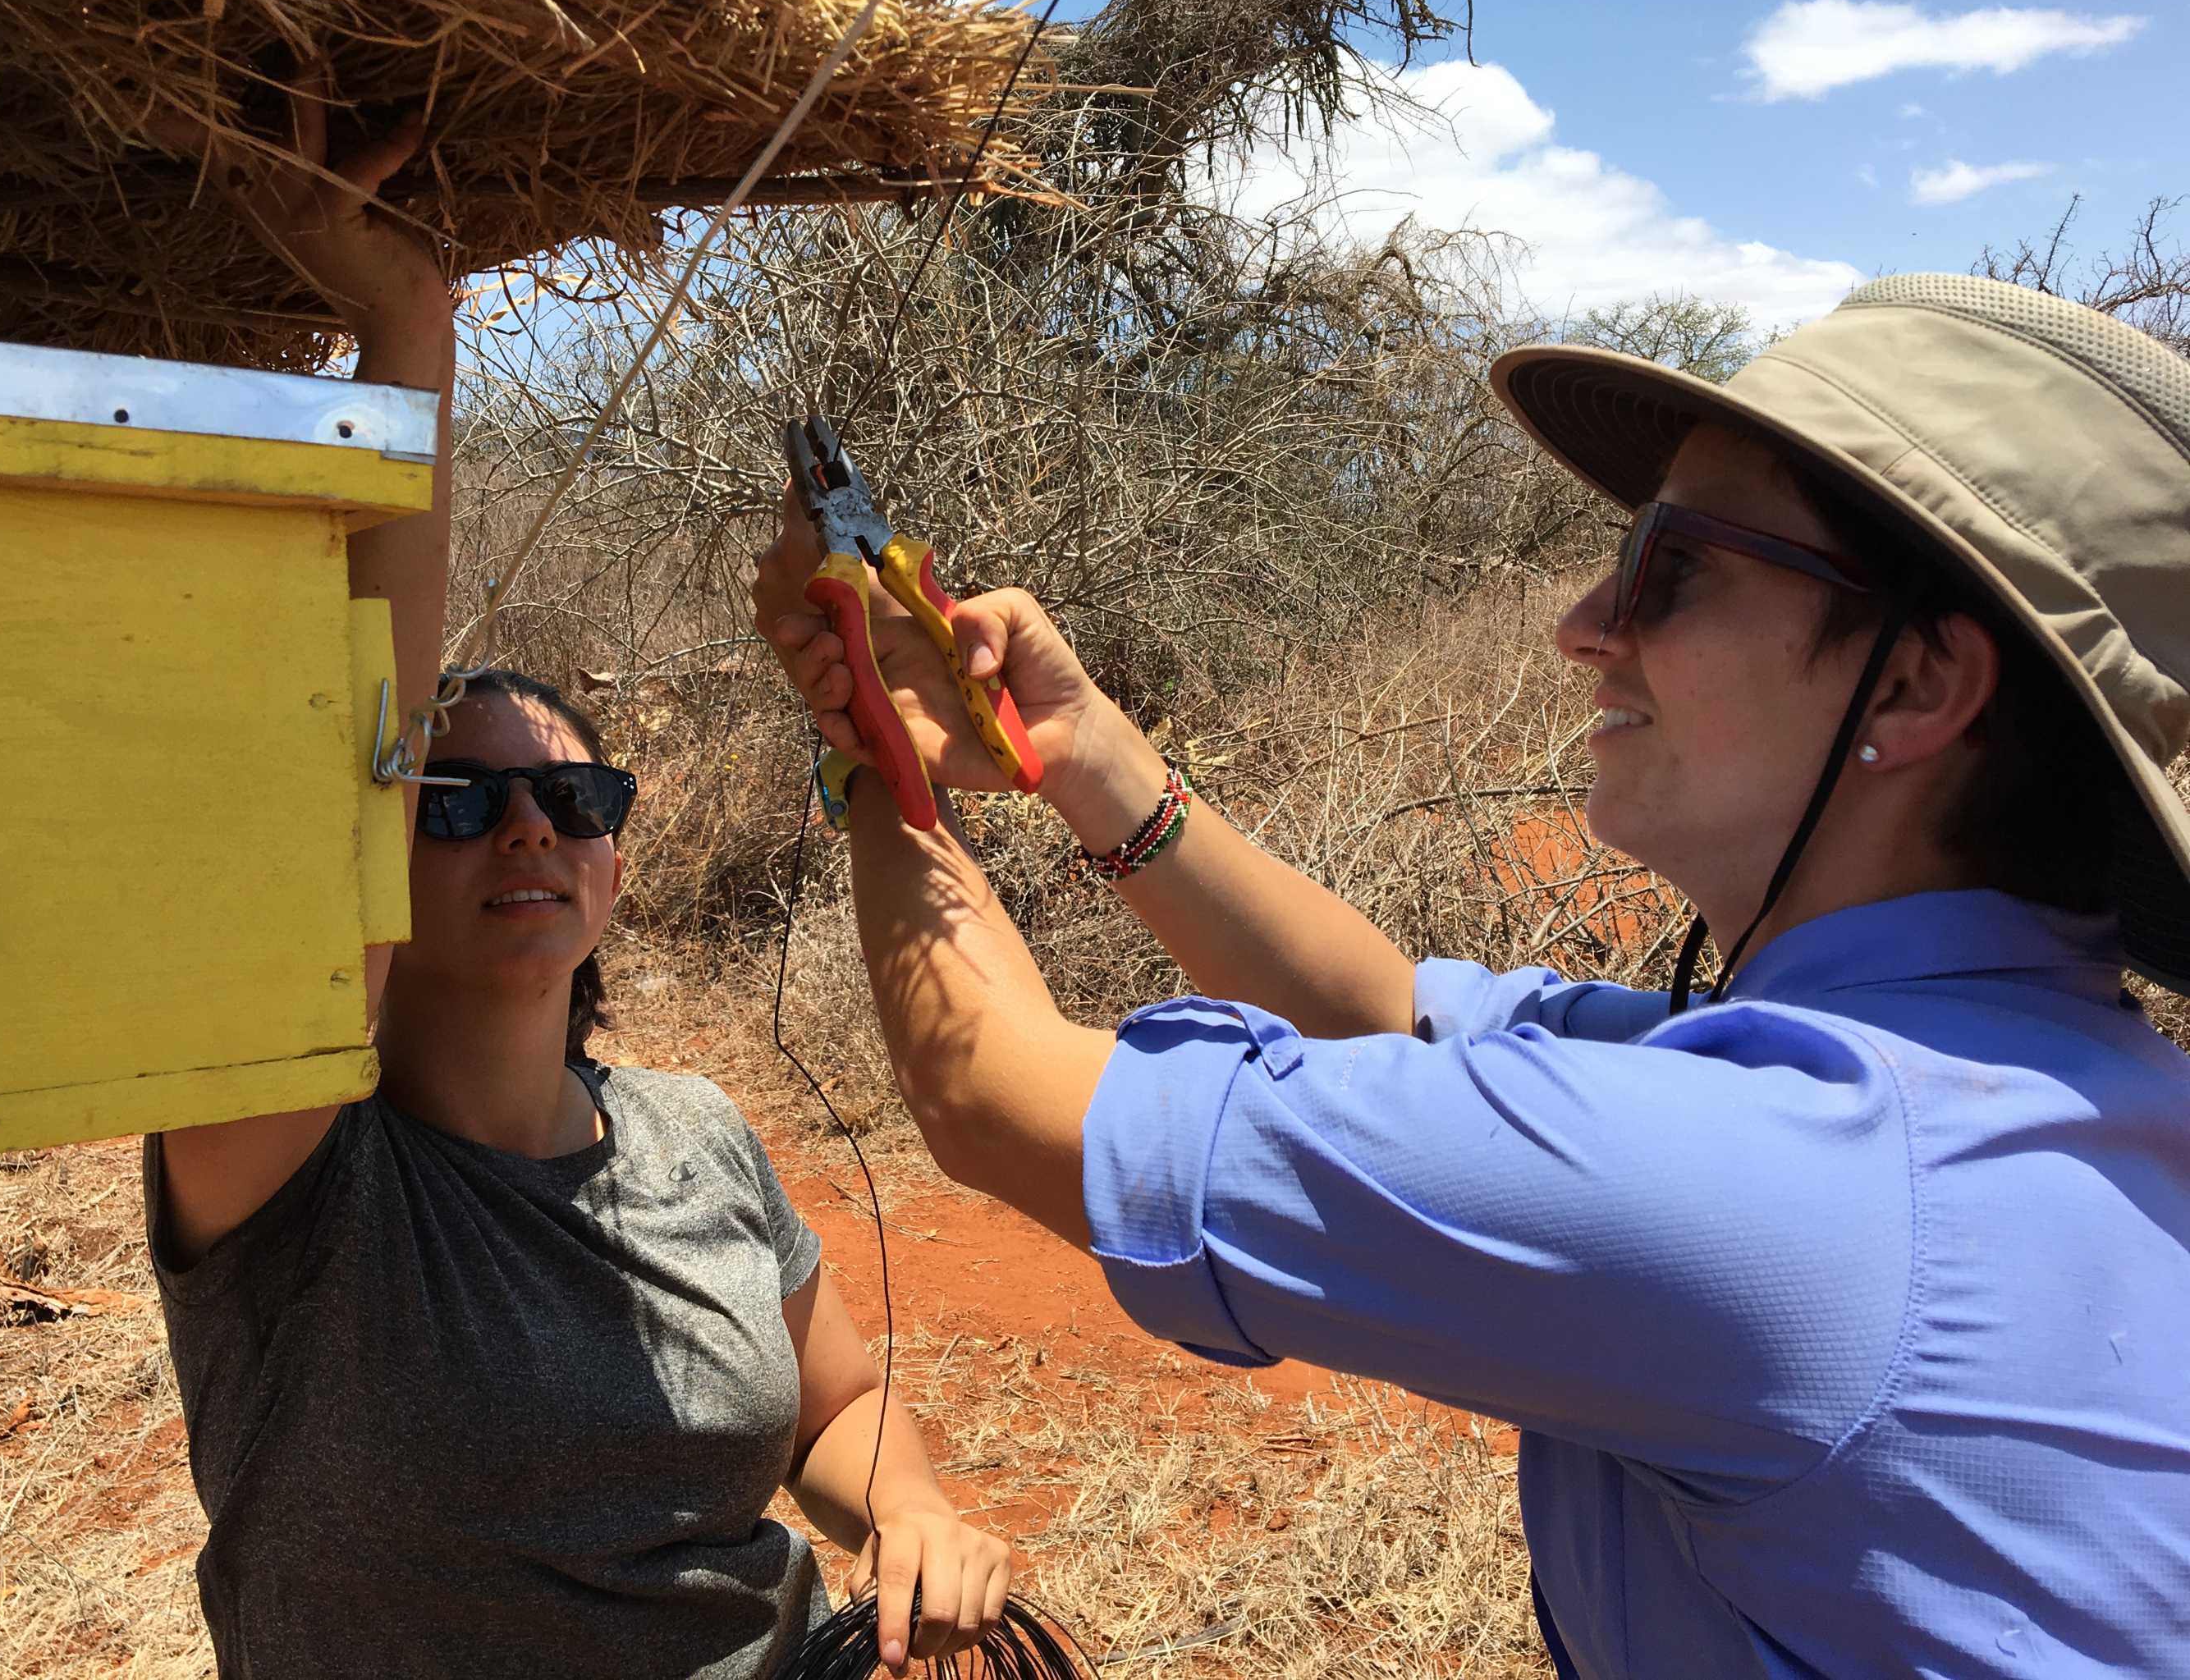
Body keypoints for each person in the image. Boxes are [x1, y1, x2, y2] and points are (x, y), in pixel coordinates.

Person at [753, 274, 2190, 1677]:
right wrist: (1075, 751)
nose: (1583, 622)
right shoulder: (2026, 1084)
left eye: (1671, 567)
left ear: (1916, 684)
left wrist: (872, 753)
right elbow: (1387, 1006)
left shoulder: (1796, 1186)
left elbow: (991, 1092)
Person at [144, 86, 1009, 1679]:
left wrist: (912, 1512)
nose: (529, 829)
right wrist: (411, 325)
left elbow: (838, 1407)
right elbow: (343, 753)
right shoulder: (295, 1180)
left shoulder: (701, 1140)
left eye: (576, 794)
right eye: (461, 802)